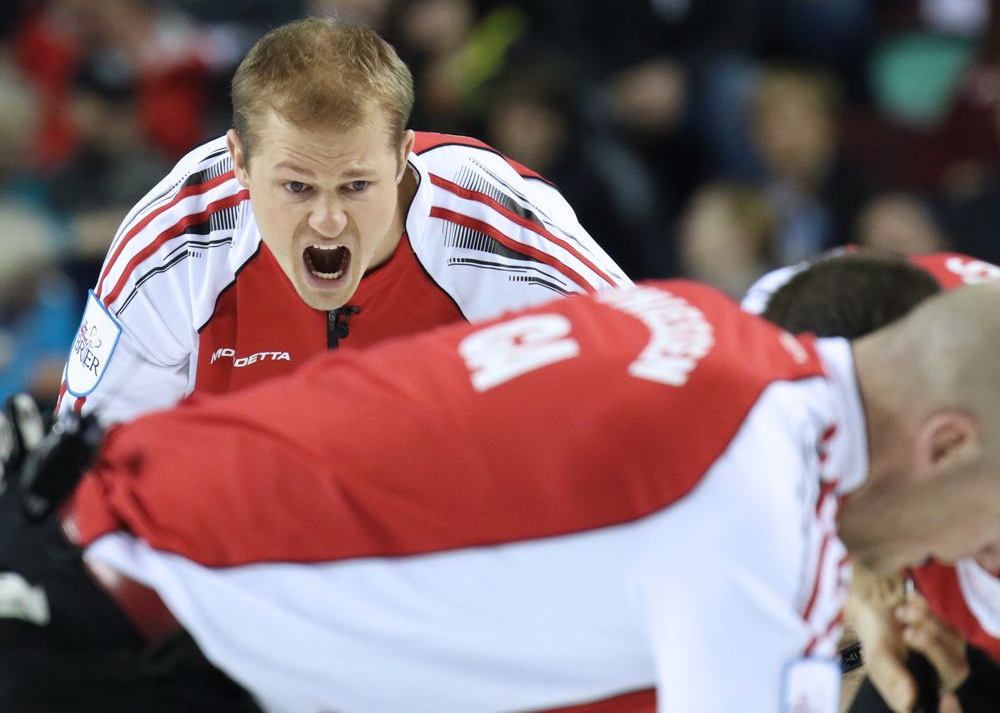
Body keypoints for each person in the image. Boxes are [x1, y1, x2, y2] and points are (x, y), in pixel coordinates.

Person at [9, 275, 1000, 711]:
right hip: (106, 633)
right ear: (947, 444)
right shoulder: (758, 511)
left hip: (87, 542)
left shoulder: (695, 320)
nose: (976, 553)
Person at [55, 16, 629, 424]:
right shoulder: (176, 238)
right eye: (296, 187)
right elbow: (89, 477)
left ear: (402, 158)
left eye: (357, 185)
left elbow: (660, 377)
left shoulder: (498, 227)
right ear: (240, 164)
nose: (328, 221)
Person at [746, 249, 1000, 713]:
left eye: (839, 480)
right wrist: (864, 588)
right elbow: (813, 294)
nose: (827, 510)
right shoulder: (880, 317)